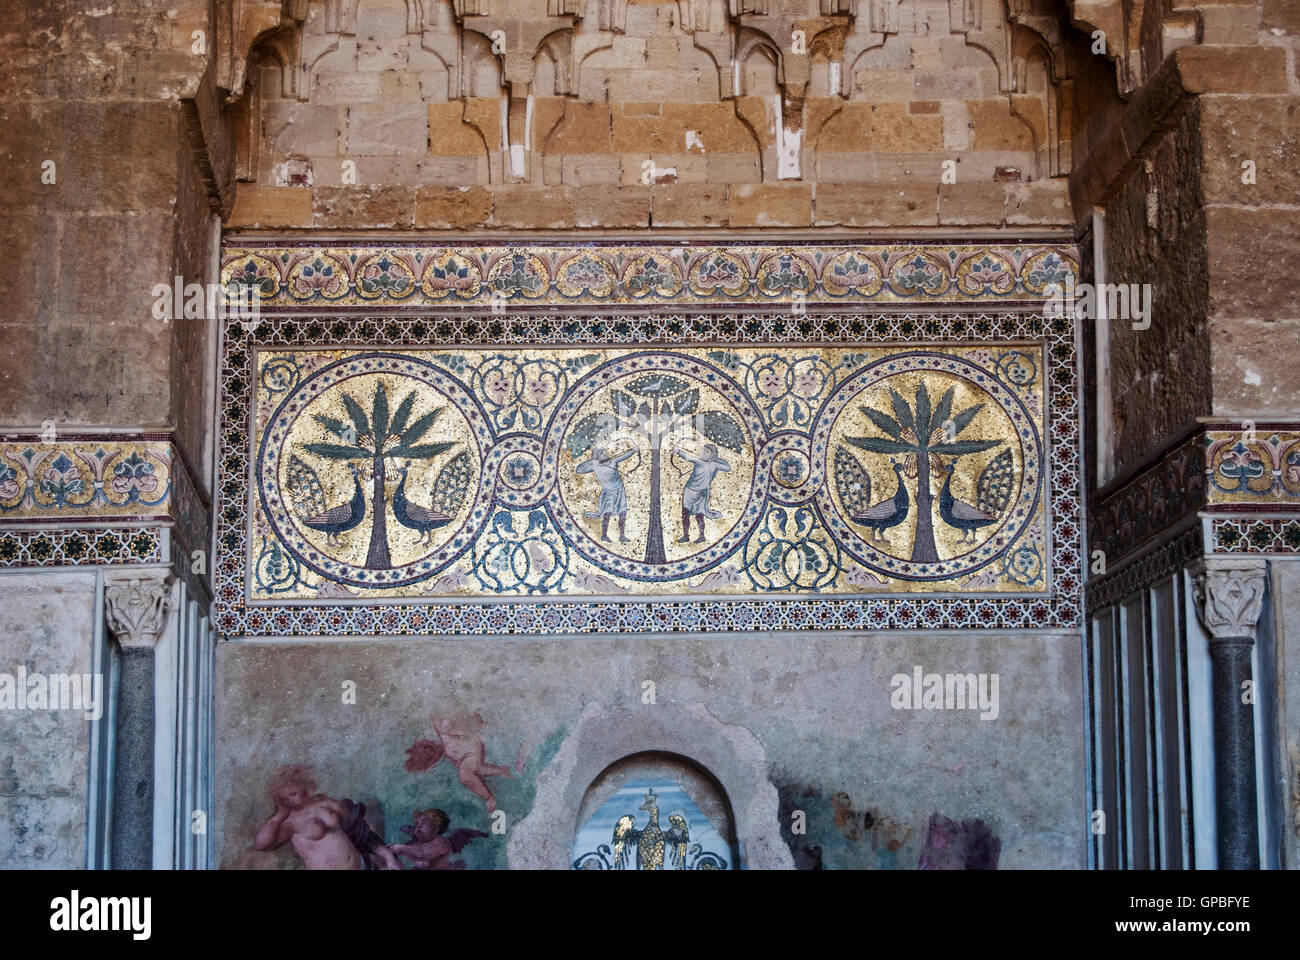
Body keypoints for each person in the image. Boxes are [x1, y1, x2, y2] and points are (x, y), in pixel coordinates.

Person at [255, 764, 402, 870]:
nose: (290, 800)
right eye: (284, 799)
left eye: (293, 793)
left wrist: (388, 857)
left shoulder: (327, 803)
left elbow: (361, 832)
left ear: (304, 786)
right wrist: (278, 817)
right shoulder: (289, 821)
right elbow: (261, 845)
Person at [575, 445, 636, 542]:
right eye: (601, 453)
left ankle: (622, 535)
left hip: (619, 490)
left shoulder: (613, 461)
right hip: (608, 493)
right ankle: (604, 535)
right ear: (597, 456)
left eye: (605, 451)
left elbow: (626, 455)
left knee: (622, 513)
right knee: (607, 514)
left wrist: (634, 449)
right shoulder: (595, 466)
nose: (605, 453)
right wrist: (592, 461)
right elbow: (578, 470)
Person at [677, 443, 731, 543]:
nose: (703, 453)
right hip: (690, 491)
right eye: (703, 451)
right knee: (685, 512)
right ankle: (686, 535)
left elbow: (687, 457)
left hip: (702, 492)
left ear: (712, 454)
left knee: (699, 514)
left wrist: (678, 451)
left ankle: (701, 536)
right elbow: (727, 467)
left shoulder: (708, 463)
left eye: (706, 452)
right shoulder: (710, 464)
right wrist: (715, 460)